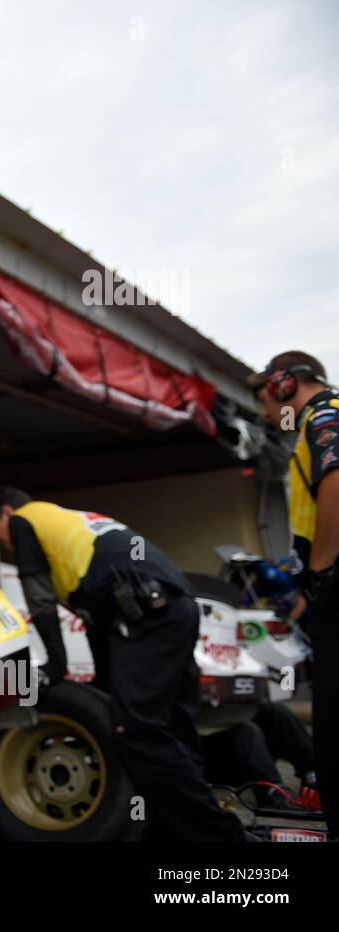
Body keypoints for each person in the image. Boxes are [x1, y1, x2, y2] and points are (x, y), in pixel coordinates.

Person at [0, 487, 248, 841]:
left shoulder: (24, 521)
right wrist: (98, 690)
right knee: (174, 728)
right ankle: (174, 831)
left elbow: (39, 598)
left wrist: (56, 665)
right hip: (175, 606)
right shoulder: (68, 522)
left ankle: (221, 836)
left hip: (145, 613)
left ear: (6, 513)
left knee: (138, 732)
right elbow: (99, 623)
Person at [249, 350, 339, 837]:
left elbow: (337, 481)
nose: (266, 415)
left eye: (265, 402)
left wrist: (322, 570)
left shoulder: (323, 418)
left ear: (282, 385)